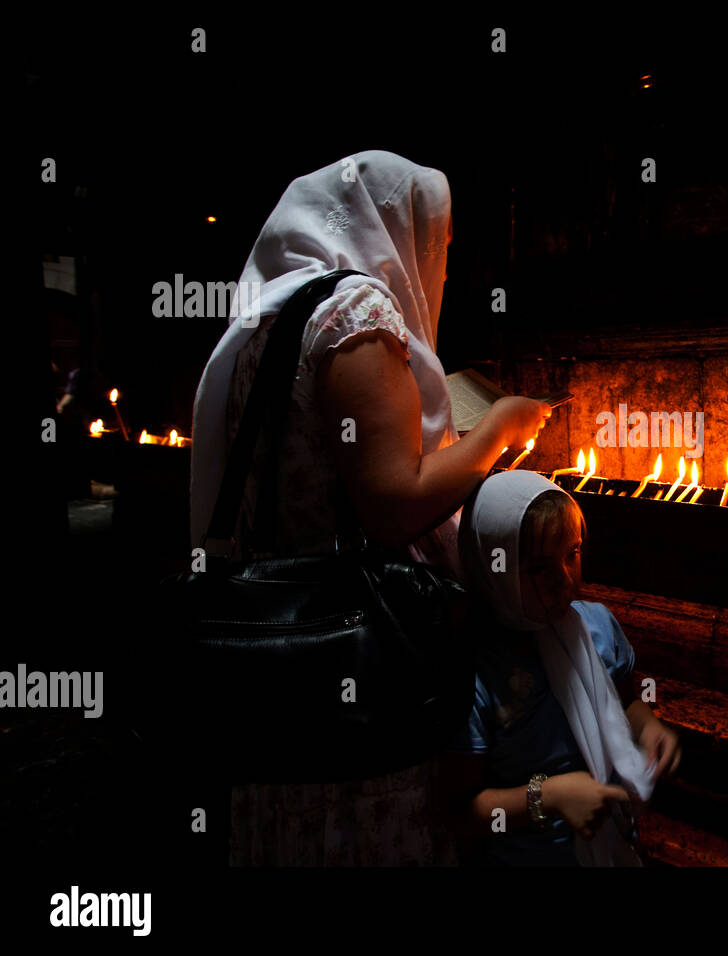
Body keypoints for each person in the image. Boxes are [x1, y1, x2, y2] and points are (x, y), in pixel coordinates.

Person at [188, 150, 551, 865]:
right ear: (395, 225)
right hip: (356, 655)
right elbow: (392, 504)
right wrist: (502, 427)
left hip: (274, 657)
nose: (438, 258)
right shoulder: (355, 310)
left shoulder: (270, 311)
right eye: (436, 238)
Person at [443, 470, 682, 866]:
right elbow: (461, 813)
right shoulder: (476, 673)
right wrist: (547, 797)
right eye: (538, 568)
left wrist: (649, 726)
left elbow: (626, 702)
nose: (564, 579)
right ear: (492, 569)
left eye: (572, 553)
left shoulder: (597, 627)